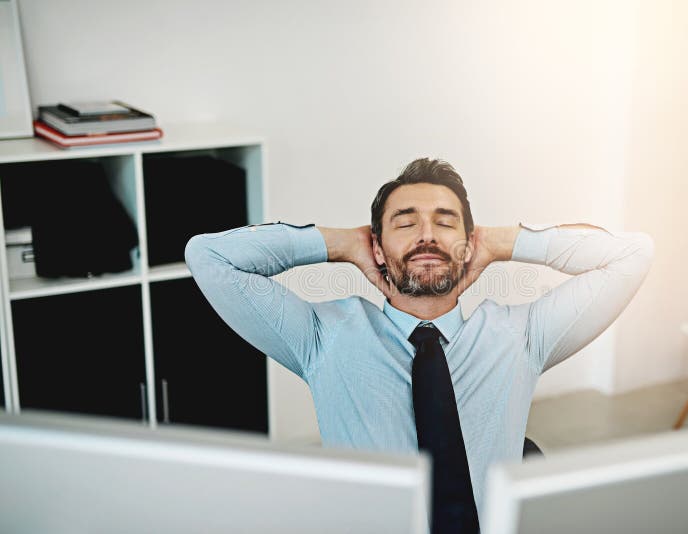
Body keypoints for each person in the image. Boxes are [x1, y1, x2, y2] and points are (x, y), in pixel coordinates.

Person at [185, 158, 654, 533]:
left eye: (444, 222)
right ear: (377, 246)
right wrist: (339, 243)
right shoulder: (324, 336)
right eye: (405, 223)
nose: (427, 234)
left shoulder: (521, 336)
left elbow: (632, 256)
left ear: (468, 245)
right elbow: (208, 256)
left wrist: (502, 241)